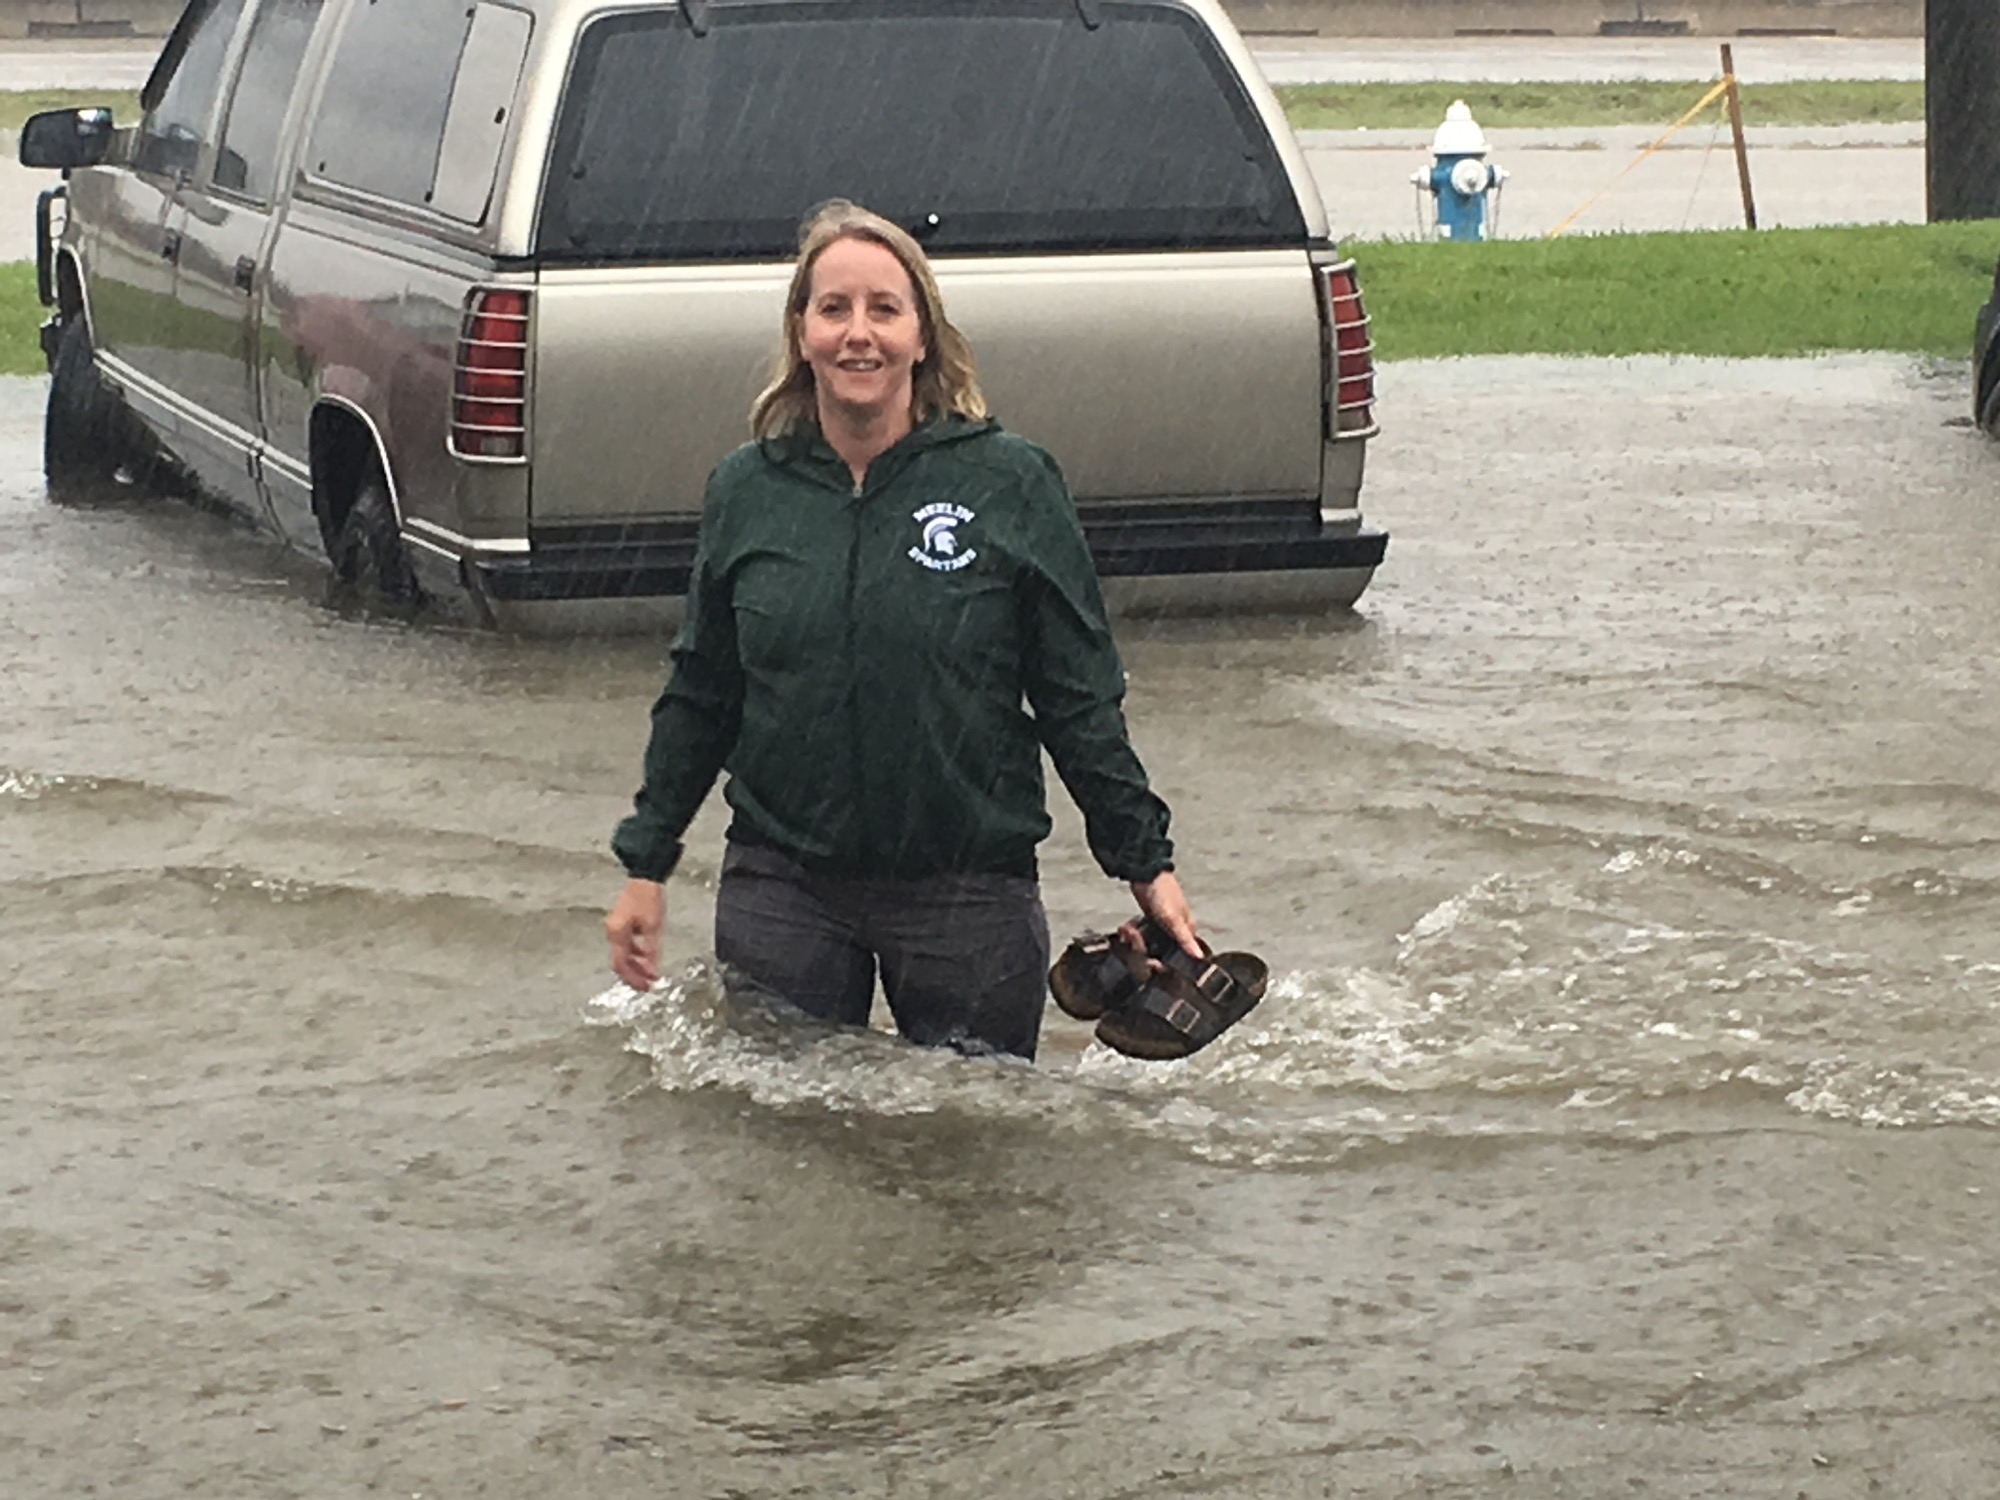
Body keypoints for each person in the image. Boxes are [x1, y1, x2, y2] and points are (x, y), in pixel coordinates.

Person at [604, 199, 1200, 1061]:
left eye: (885, 309)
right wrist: (646, 864)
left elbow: (1078, 699)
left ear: (923, 336)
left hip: (969, 893)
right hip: (784, 889)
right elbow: (702, 692)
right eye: (834, 309)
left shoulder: (1010, 484)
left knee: (975, 1129)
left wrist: (1146, 864)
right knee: (782, 1128)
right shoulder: (747, 491)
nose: (859, 334)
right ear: (801, 332)